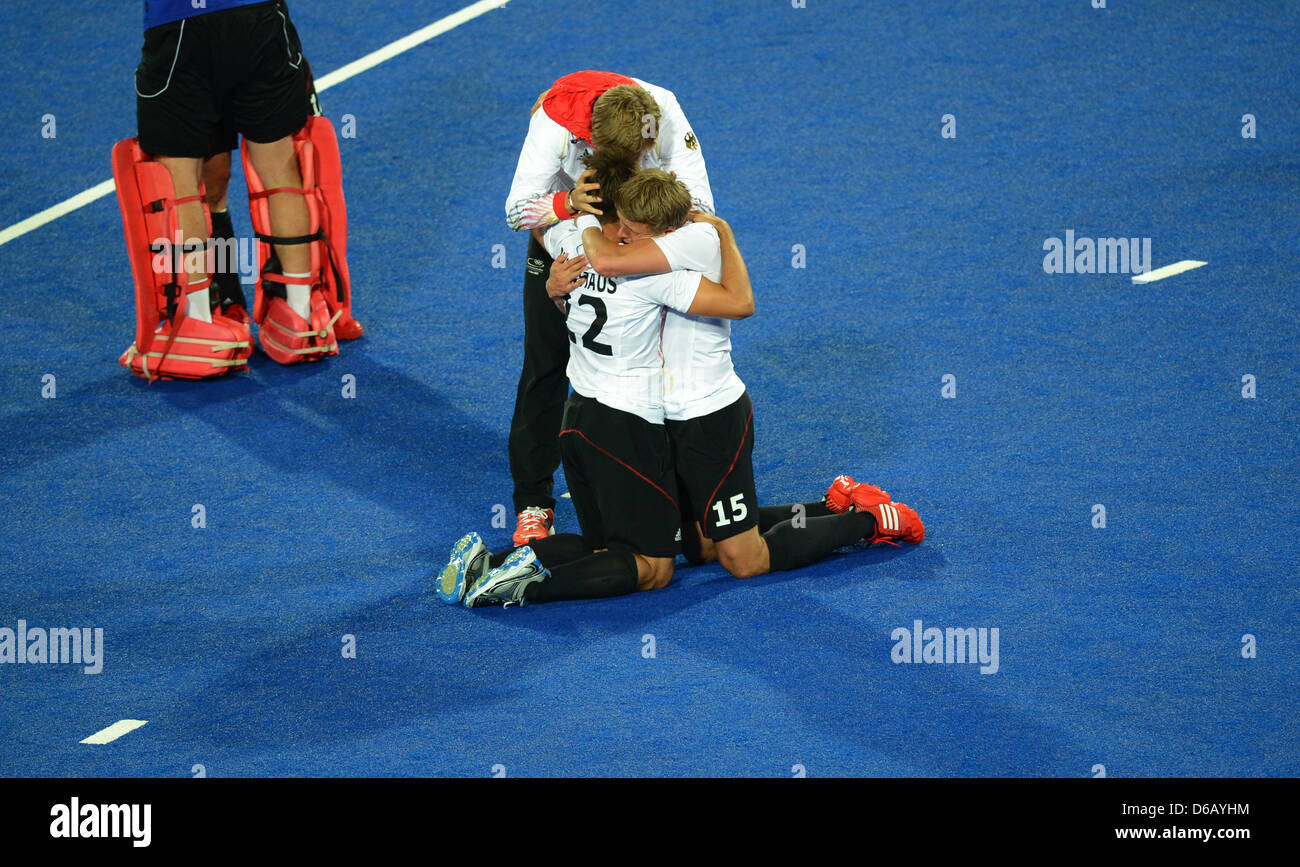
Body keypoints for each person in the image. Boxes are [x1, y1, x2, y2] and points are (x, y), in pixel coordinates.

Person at [503, 70, 713, 545]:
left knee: (662, 362)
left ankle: (673, 493)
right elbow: (518, 210)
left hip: (646, 239)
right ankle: (534, 504)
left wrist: (652, 249)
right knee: (546, 365)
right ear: (589, 142)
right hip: (566, 232)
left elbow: (700, 204)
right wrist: (565, 203)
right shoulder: (553, 124)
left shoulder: (664, 110)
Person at [115, 0, 358, 381]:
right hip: (259, 20)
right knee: (281, 168)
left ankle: (195, 322)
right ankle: (300, 314)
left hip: (180, 27)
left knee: (178, 183)